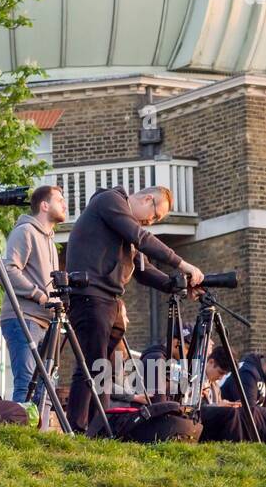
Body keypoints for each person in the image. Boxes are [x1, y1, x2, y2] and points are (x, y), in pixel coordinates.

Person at [63, 185, 204, 433]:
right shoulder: (110, 201)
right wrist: (182, 264)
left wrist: (176, 285)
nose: (152, 222)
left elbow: (144, 269)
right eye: (155, 215)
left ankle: (96, 429)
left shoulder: (126, 230)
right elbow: (142, 238)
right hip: (90, 295)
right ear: (148, 198)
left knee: (102, 368)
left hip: (110, 300)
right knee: (92, 364)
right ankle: (81, 428)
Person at [0, 185, 65, 403]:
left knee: (46, 388)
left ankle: (40, 436)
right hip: (24, 318)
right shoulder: (25, 231)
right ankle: (21, 434)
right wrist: (38, 295)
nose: (64, 204)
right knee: (27, 384)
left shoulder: (50, 240)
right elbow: (8, 271)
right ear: (44, 205)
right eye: (59, 200)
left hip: (45, 322)